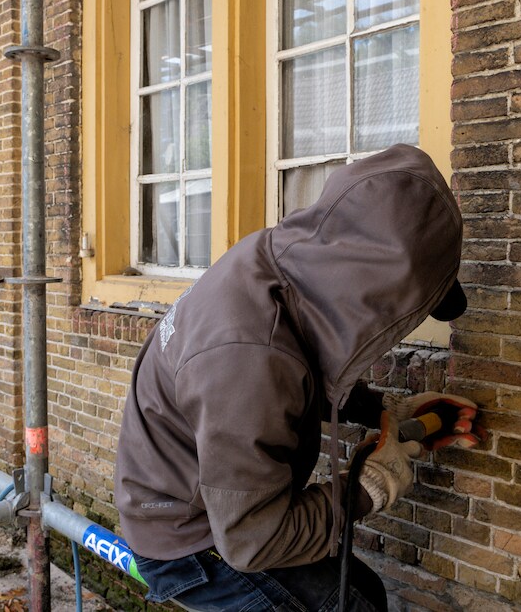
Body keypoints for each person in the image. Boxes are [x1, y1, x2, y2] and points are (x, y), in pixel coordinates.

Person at [115, 144, 484, 611]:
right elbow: (254, 542)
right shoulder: (247, 359)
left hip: (211, 504)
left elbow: (308, 351)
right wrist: (369, 485)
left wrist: (385, 413)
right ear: (370, 294)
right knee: (352, 605)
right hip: (190, 539)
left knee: (362, 594)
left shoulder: (279, 264)